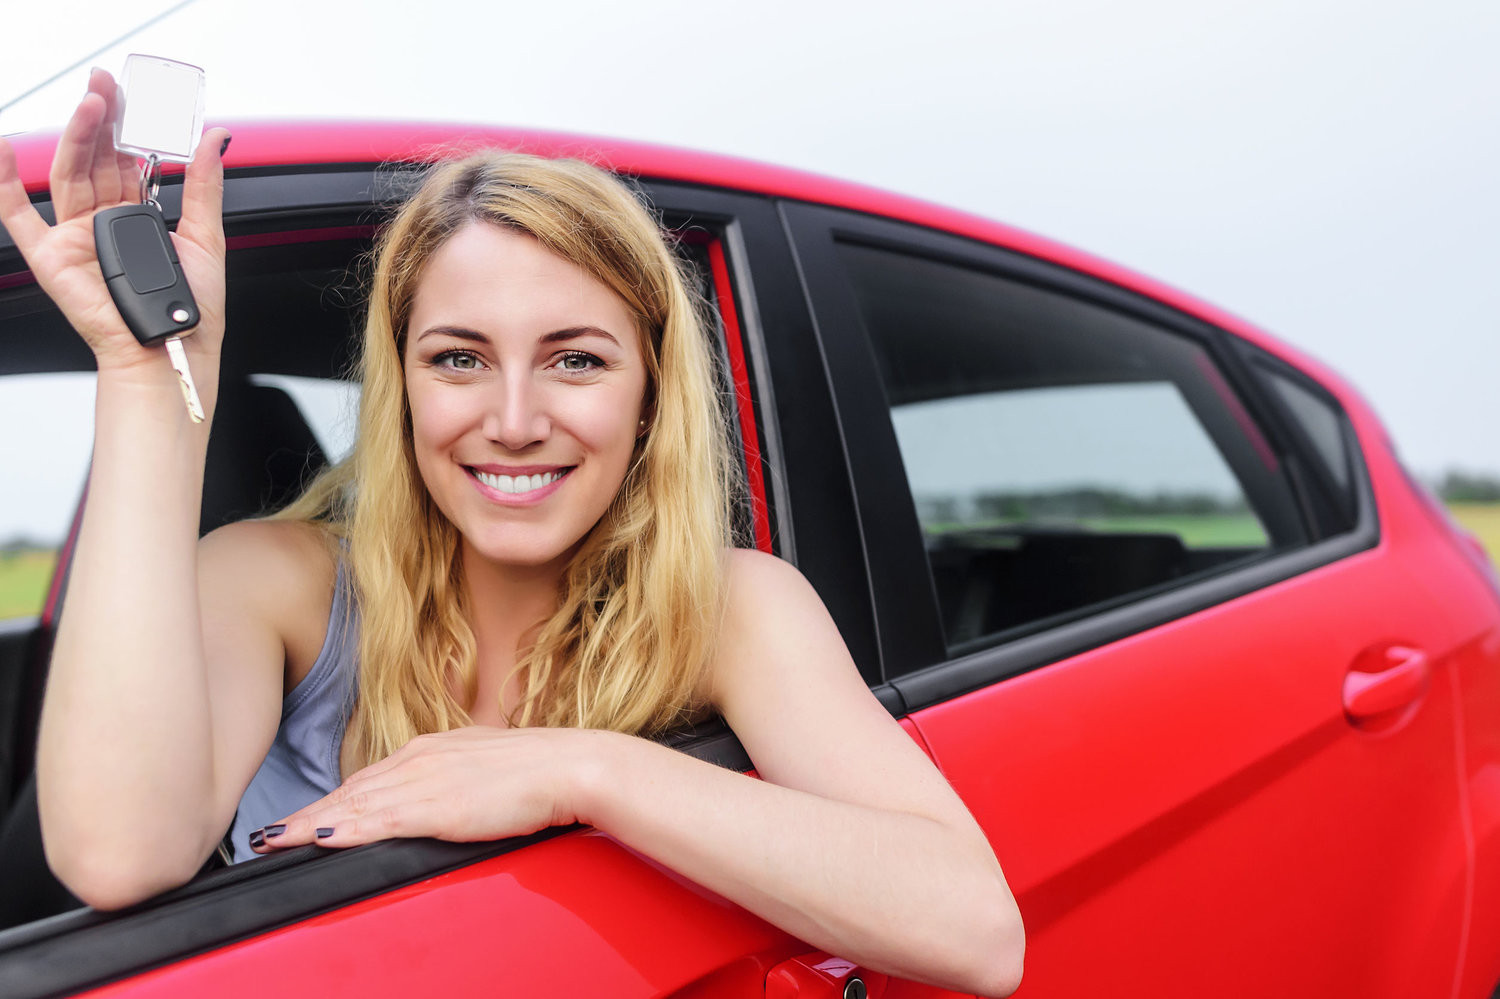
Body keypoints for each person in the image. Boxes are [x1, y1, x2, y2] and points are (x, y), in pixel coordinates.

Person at [0, 69, 1024, 995]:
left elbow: (976, 934)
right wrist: (146, 383)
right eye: (459, 359)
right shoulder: (278, 581)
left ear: (650, 392)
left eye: (576, 360)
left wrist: (578, 768)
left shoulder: (730, 605)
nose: (517, 418)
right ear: (400, 386)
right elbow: (117, 856)